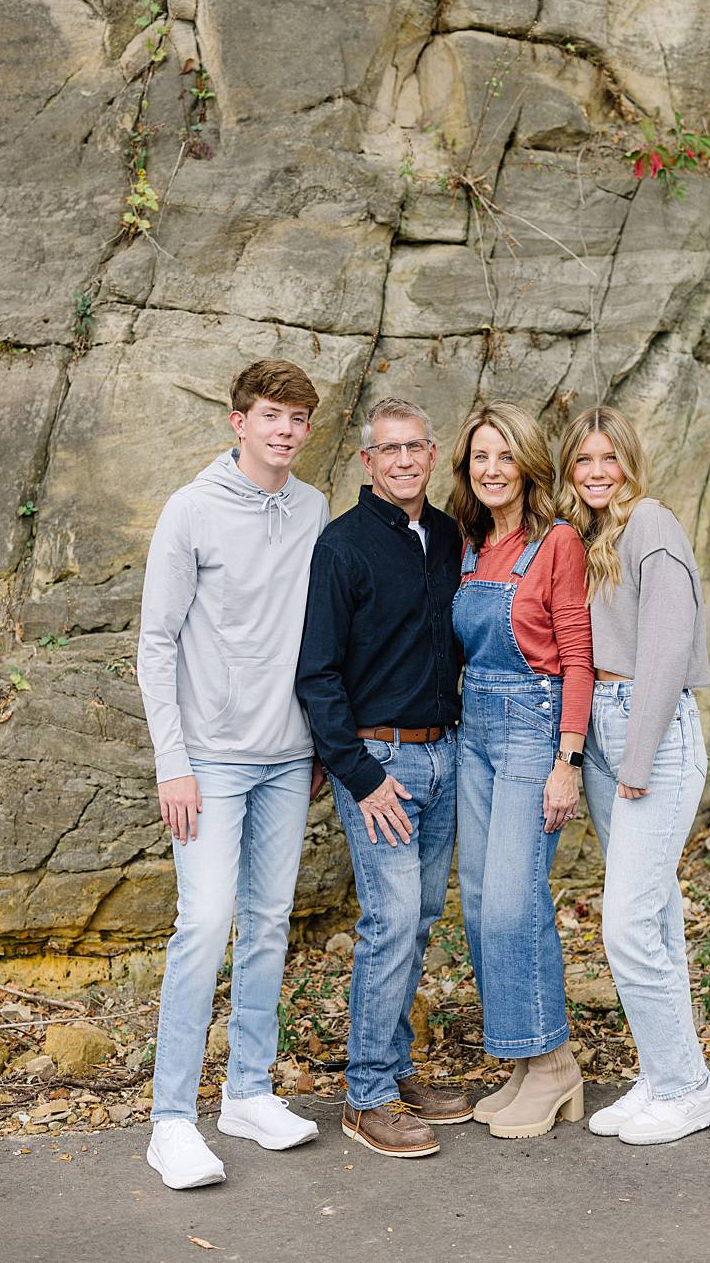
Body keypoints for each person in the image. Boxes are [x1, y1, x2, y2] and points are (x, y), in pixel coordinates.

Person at [136, 359, 333, 1190]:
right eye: (270, 416)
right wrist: (173, 765)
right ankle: (170, 1120)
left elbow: (320, 634)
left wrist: (323, 740)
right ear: (238, 422)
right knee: (204, 923)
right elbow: (155, 644)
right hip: (209, 760)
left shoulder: (316, 508)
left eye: (296, 418)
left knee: (268, 921)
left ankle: (248, 1091)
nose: (284, 430)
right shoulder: (191, 510)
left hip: (290, 755)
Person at [296, 396, 469, 1159]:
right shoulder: (343, 547)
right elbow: (318, 674)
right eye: (388, 449)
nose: (403, 460)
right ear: (367, 461)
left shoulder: (447, 536)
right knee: (390, 920)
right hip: (382, 765)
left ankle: (397, 1069)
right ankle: (364, 1096)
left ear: (433, 455)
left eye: (416, 447)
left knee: (421, 917)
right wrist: (361, 776)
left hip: (446, 752)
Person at [557, 406, 710, 1144]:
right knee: (652, 917)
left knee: (625, 924)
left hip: (650, 732)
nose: (596, 473)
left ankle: (687, 1089)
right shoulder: (595, 536)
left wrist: (639, 753)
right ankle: (664, 1073)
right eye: (583, 461)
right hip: (602, 732)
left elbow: (667, 643)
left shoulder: (651, 522)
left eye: (608, 459)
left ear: (629, 462)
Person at [448, 402, 592, 1139]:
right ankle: (528, 1061)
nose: (493, 470)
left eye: (505, 456)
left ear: (528, 464)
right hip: (475, 727)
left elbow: (577, 656)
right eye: (480, 457)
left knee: (513, 900)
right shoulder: (470, 544)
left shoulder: (556, 542)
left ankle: (556, 1065)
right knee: (479, 905)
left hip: (534, 729)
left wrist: (567, 760)